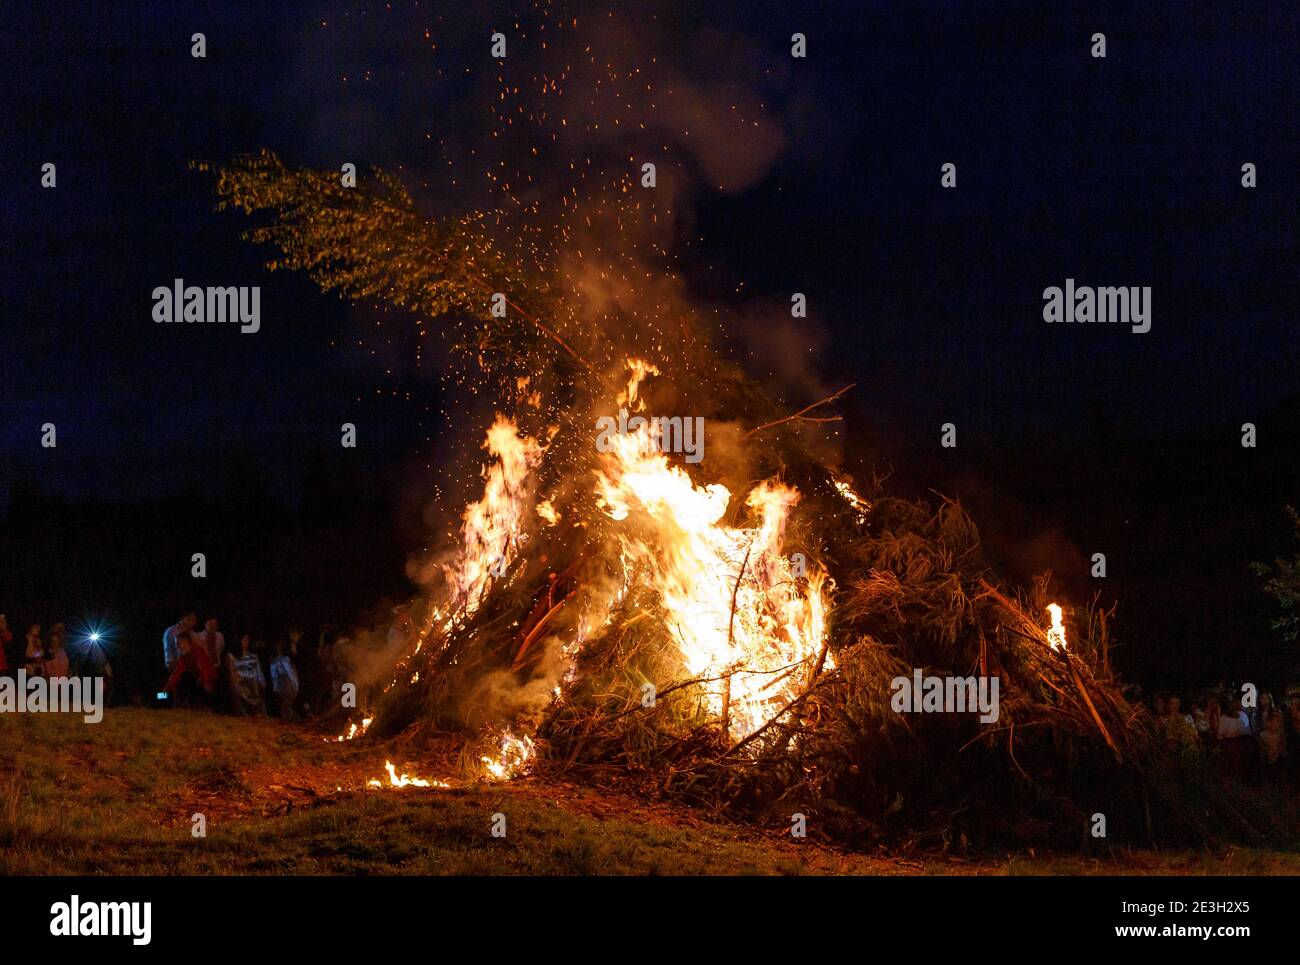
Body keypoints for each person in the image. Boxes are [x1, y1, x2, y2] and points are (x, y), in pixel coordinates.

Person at [164, 631, 216, 707]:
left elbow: (204, 667)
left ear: (185, 641)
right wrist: (167, 688)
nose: (177, 646)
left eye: (178, 643)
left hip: (209, 680)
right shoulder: (184, 657)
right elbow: (176, 673)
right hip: (200, 681)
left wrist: (206, 682)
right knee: (183, 679)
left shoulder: (197, 651)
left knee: (186, 677)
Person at [225, 634, 267, 716]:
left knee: (253, 684)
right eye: (245, 640)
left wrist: (262, 683)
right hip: (239, 683)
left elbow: (258, 671)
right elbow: (231, 672)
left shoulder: (253, 656)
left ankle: (256, 710)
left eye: (248, 640)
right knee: (240, 688)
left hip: (252, 683)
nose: (247, 642)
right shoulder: (232, 656)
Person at [269, 640, 299, 721]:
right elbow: (290, 673)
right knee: (287, 704)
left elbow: (273, 676)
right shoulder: (284, 659)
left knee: (285, 705)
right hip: (286, 685)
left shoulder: (274, 661)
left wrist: (275, 687)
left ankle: (286, 720)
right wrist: (296, 685)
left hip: (281, 685)